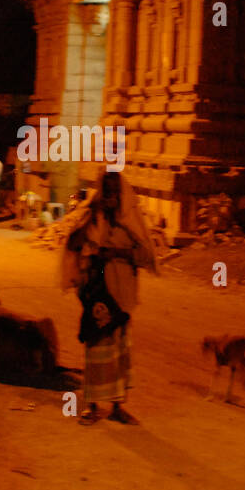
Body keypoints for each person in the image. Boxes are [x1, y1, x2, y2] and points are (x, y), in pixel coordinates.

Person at [60, 169, 158, 426]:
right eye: (108, 192)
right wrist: (91, 229)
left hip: (123, 295)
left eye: (116, 192)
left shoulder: (132, 220)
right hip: (98, 297)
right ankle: (92, 405)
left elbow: (146, 256)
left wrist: (116, 253)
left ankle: (117, 406)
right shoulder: (92, 218)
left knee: (120, 353)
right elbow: (73, 245)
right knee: (96, 349)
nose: (112, 197)